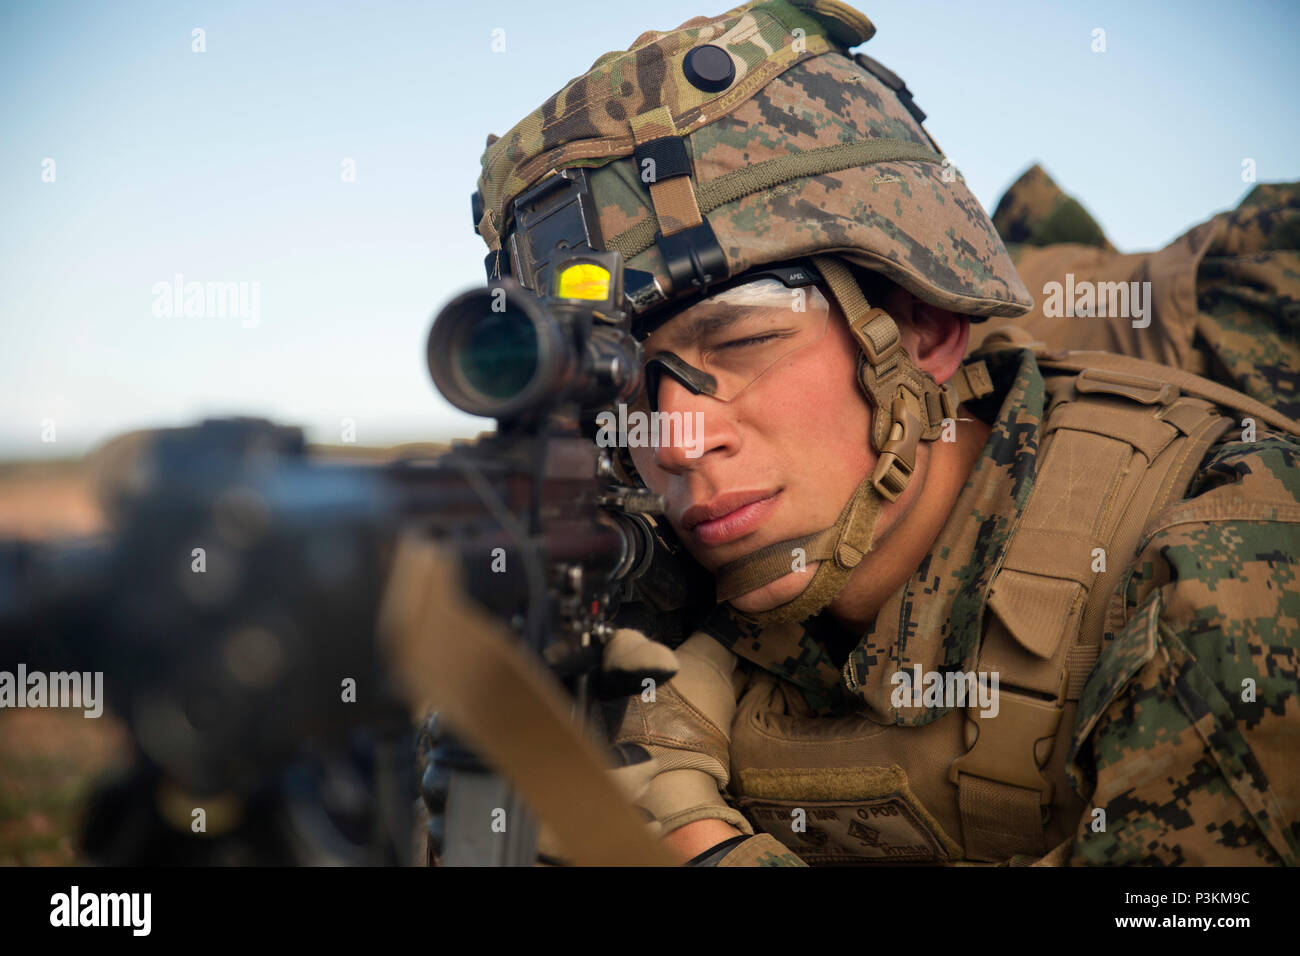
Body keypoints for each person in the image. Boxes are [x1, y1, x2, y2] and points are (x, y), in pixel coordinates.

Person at [470, 0, 1300, 865]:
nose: (676, 439)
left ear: (923, 330)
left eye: (744, 340)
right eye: (628, 384)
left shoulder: (1220, 551)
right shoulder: (638, 590)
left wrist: (692, 838)